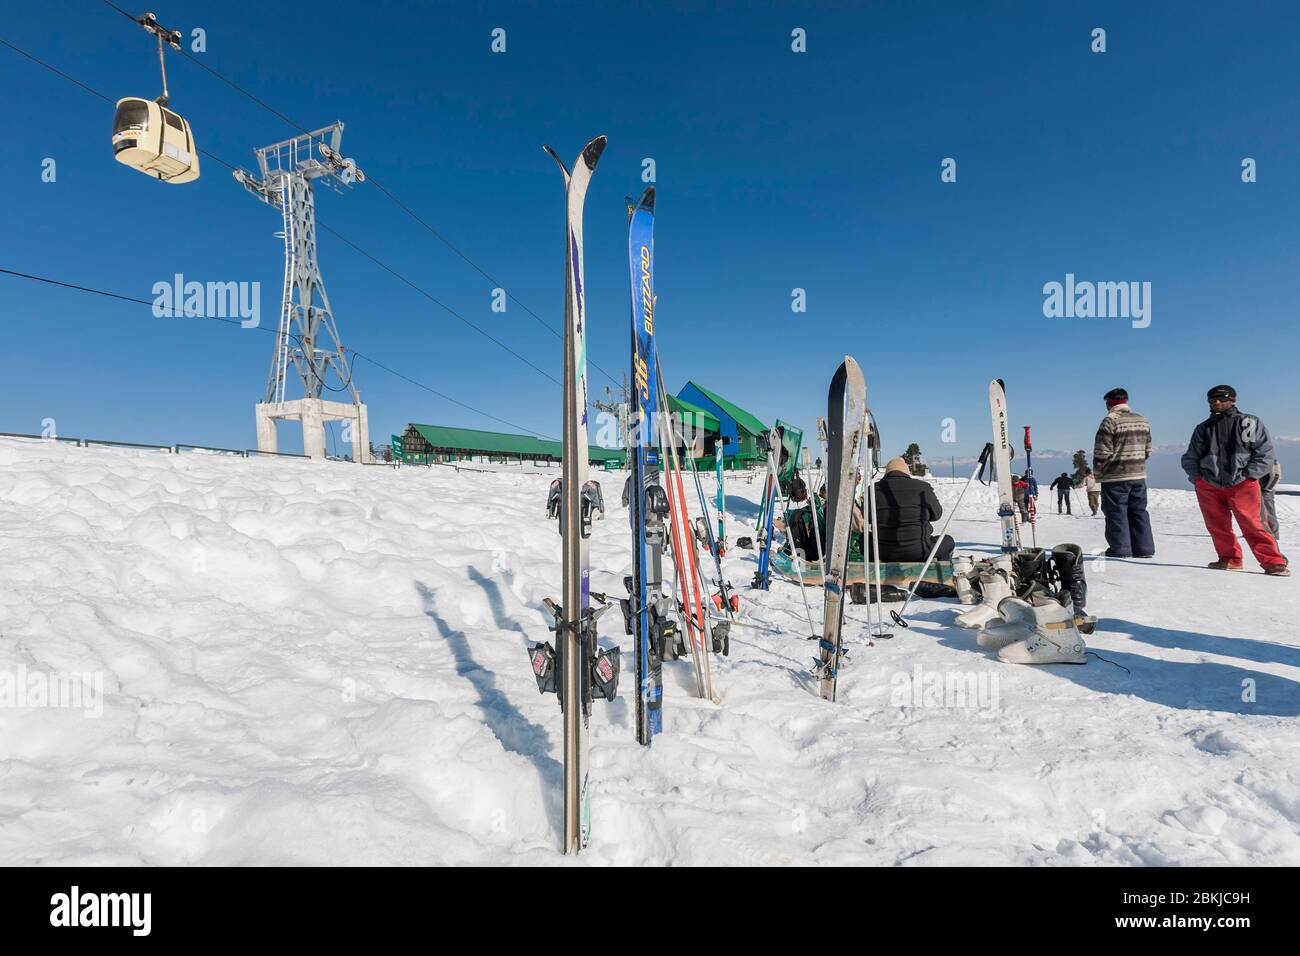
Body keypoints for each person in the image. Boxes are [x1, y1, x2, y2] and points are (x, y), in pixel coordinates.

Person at [1180, 385, 1288, 575]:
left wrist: (1249, 476)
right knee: (1217, 525)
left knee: (1253, 523)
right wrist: (1198, 478)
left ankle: (1273, 562)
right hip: (1209, 485)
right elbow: (1190, 457)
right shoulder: (1203, 428)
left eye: (1221, 399)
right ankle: (1229, 559)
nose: (1217, 403)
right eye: (1213, 400)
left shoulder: (1249, 422)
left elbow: (1264, 453)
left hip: (1243, 484)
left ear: (1233, 400)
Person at [1093, 387, 1155, 558]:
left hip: (1115, 476)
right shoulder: (1142, 419)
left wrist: (1098, 472)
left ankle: (1120, 549)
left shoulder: (1110, 420)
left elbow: (1102, 451)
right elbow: (1148, 449)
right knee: (1139, 511)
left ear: (1109, 403)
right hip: (1138, 475)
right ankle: (1144, 549)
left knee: (1116, 512)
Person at [866, 457, 955, 562]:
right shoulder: (923, 487)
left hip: (883, 551)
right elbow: (937, 515)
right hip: (920, 550)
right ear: (906, 471)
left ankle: (876, 567)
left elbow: (866, 517)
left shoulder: (872, 490)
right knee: (948, 541)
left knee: (863, 539)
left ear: (887, 472)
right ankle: (938, 570)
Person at [1260, 459, 1281, 542]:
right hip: (1258, 488)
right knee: (1258, 512)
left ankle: (1274, 534)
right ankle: (1264, 533)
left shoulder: (1271, 460)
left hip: (1266, 490)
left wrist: (1268, 489)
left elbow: (1276, 475)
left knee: (1269, 512)